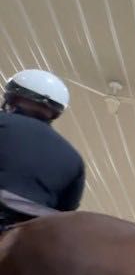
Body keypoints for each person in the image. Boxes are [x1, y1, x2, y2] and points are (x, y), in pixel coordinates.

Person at [0, 68, 85, 226]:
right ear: (55, 113)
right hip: (36, 227)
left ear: (11, 98)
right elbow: (66, 213)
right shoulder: (74, 158)